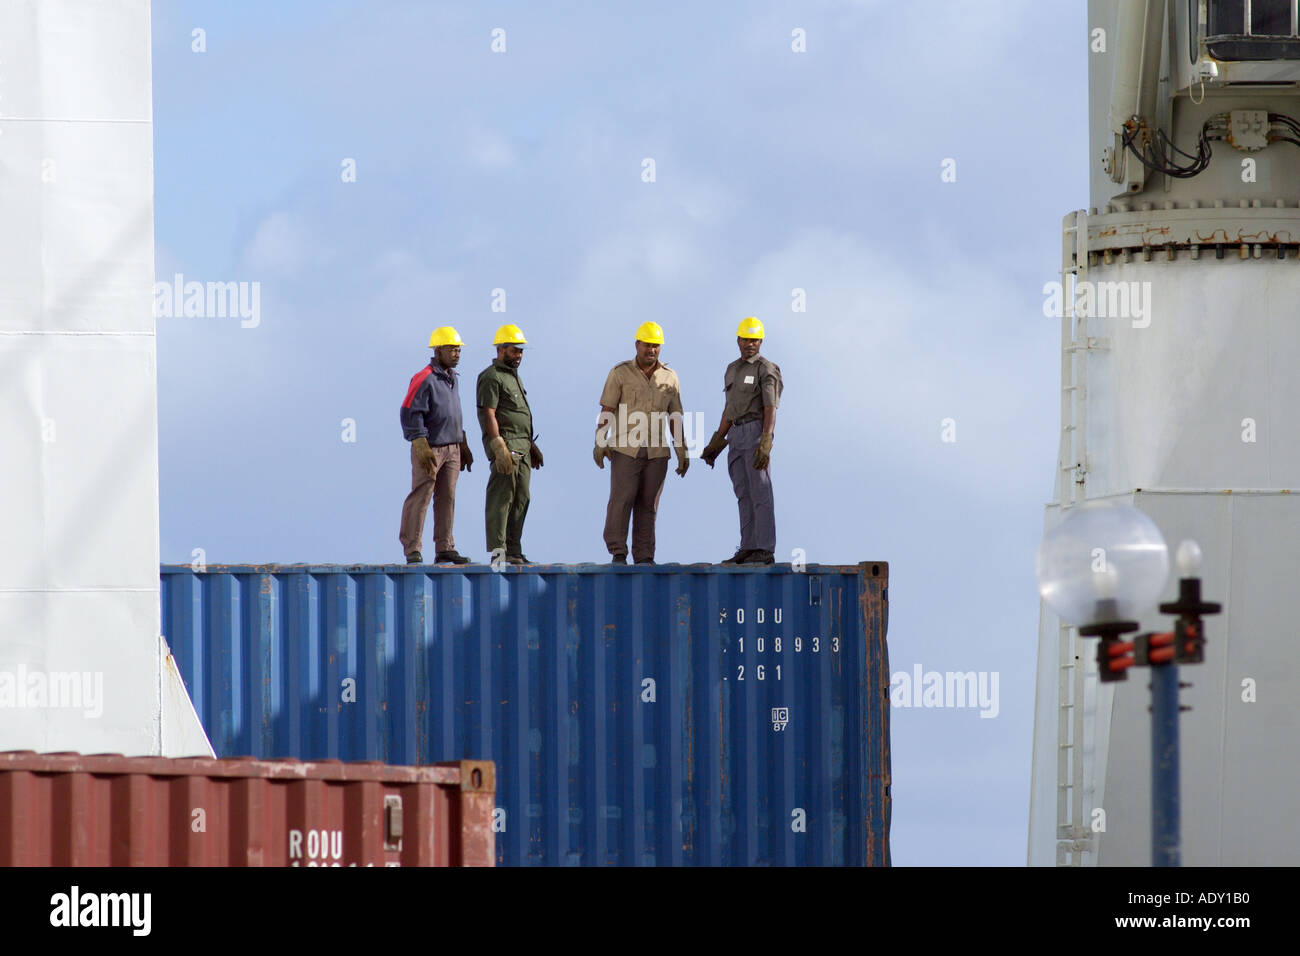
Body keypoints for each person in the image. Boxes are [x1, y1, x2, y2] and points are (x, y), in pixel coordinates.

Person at [594, 321, 688, 564]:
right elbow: (607, 409)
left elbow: (675, 416)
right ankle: (618, 551)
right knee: (621, 500)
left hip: (657, 453)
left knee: (649, 505)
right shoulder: (620, 373)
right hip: (626, 449)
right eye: (647, 345)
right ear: (637, 345)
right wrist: (599, 441)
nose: (652, 350)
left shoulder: (670, 377)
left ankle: (645, 557)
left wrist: (682, 451)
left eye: (656, 346)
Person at [700, 316, 782, 565]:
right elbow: (729, 409)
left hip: (755, 430)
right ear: (738, 340)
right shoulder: (732, 369)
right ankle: (748, 547)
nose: (750, 344)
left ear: (761, 341)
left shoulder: (766, 369)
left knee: (761, 491)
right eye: (746, 339)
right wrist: (716, 441)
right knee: (743, 493)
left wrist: (766, 441)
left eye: (755, 340)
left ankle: (764, 549)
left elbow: (770, 407)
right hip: (735, 435)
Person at [399, 327, 474, 564]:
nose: (457, 354)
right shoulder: (424, 377)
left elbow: (452, 413)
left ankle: (445, 546)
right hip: (430, 448)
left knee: (447, 498)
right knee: (421, 495)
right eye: (452, 349)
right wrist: (419, 440)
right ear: (438, 350)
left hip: (452, 447)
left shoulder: (452, 379)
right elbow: (409, 410)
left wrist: (462, 442)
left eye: (459, 349)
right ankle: (413, 548)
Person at [476, 324, 542, 564]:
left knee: (522, 498)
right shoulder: (490, 377)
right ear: (501, 349)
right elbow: (489, 413)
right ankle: (498, 552)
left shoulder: (514, 377)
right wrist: (497, 445)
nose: (519, 356)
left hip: (522, 448)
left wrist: (531, 445)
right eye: (515, 351)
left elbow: (518, 414)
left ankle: (514, 550)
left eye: (521, 351)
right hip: (507, 449)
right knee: (501, 500)